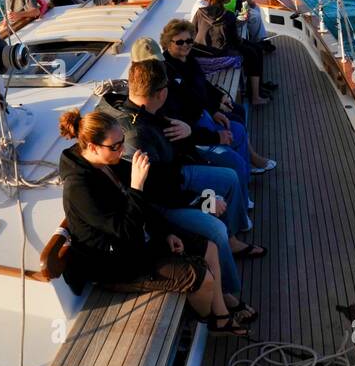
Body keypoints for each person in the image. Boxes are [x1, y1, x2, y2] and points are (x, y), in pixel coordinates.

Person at [58, 109, 254, 335]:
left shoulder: (106, 163)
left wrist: (165, 233)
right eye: (115, 146)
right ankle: (203, 320)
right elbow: (124, 231)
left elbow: (147, 205)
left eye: (122, 141)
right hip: (116, 263)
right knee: (202, 279)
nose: (122, 149)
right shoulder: (79, 188)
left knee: (209, 246)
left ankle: (221, 317)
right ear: (92, 147)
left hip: (139, 241)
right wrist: (136, 186)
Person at [111, 60, 263, 302]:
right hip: (163, 204)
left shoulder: (149, 113)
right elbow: (157, 191)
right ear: (161, 93)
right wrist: (204, 200)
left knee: (230, 178)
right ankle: (226, 296)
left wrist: (193, 131)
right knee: (216, 230)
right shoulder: (136, 136)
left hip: (178, 176)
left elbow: (178, 140)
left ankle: (232, 242)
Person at [131, 35, 255, 210]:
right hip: (185, 160)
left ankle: (244, 189)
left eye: (157, 62)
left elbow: (191, 98)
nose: (156, 67)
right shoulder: (153, 102)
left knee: (238, 131)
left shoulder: (166, 78)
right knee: (233, 169)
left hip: (195, 132)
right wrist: (214, 137)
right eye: (149, 64)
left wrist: (213, 109)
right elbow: (181, 135)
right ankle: (235, 215)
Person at [160, 21, 276, 174]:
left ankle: (247, 161)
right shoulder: (169, 68)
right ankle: (250, 159)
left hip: (206, 109)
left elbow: (203, 83)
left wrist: (221, 97)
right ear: (168, 43)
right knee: (237, 119)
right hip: (198, 119)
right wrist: (215, 108)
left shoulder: (188, 59)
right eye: (180, 42)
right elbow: (190, 99)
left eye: (189, 41)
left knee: (238, 111)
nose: (186, 45)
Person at [194, 0, 270, 106]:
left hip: (202, 51)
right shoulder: (228, 15)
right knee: (253, 53)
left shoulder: (200, 13)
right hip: (219, 54)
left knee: (255, 49)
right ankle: (255, 96)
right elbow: (235, 41)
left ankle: (259, 87)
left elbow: (194, 31)